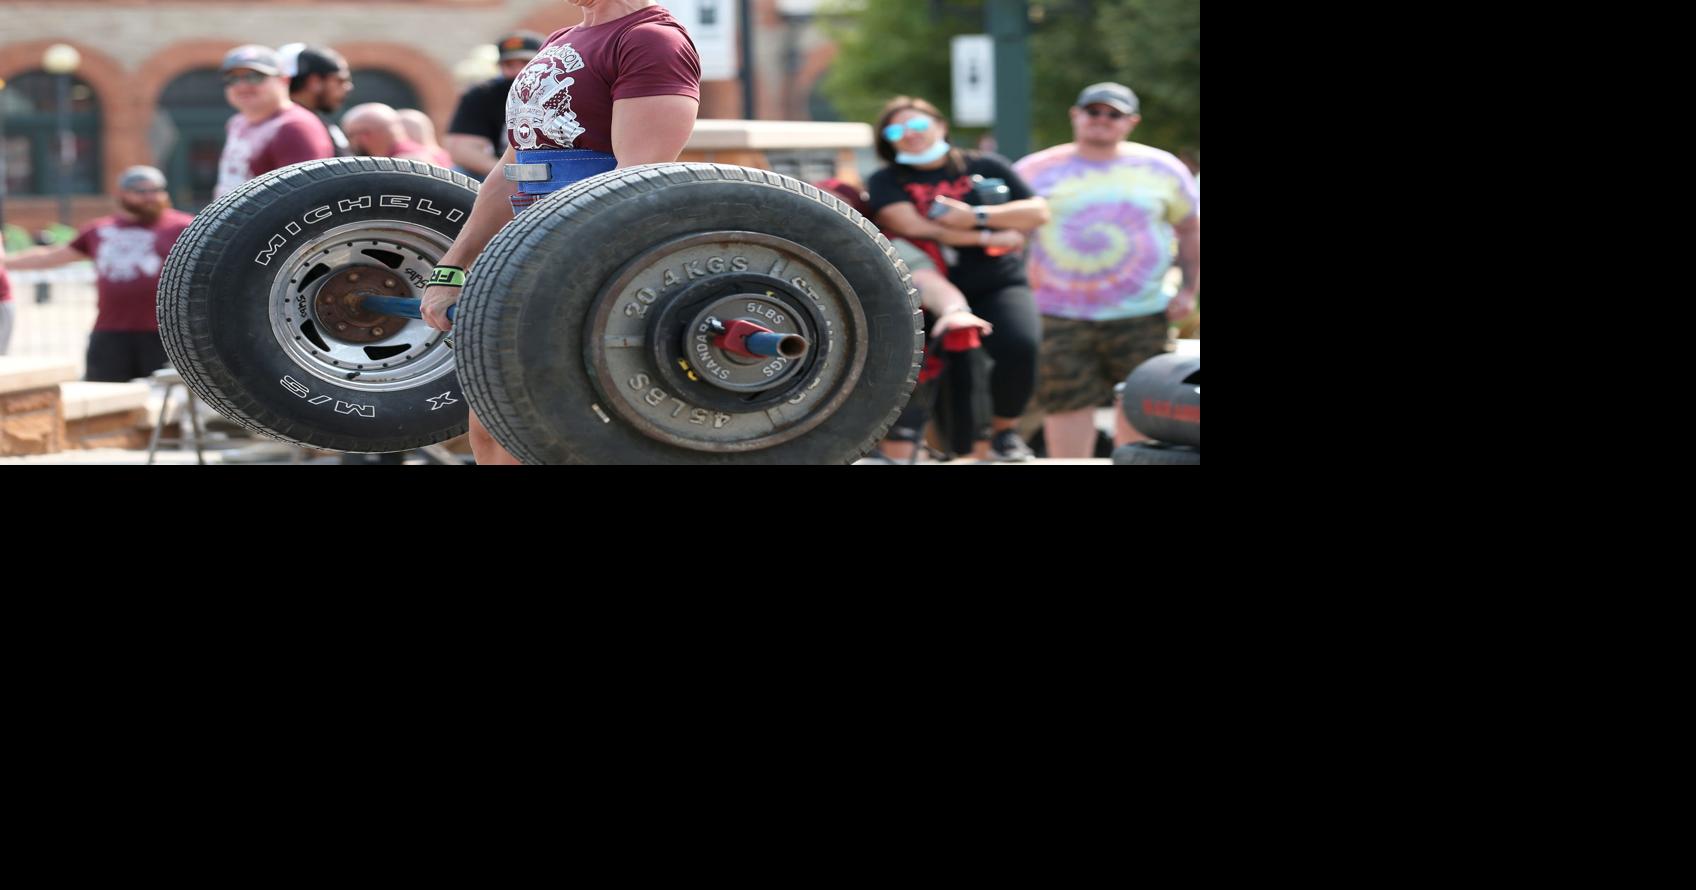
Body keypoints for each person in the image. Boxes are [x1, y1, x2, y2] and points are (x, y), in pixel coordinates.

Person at [419, 0, 701, 465]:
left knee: (555, 438)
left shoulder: (652, 40)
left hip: (589, 272)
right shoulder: (559, 39)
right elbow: (514, 168)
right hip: (524, 257)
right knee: (493, 434)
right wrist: (451, 267)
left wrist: (567, 285)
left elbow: (635, 184)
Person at [1012, 82, 1199, 457]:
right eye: (1093, 111)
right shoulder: (1035, 169)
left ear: (1130, 122)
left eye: (1113, 114)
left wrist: (1189, 290)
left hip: (1141, 311)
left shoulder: (1161, 167)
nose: (1102, 120)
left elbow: (1190, 228)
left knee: (1140, 401)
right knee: (1065, 404)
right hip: (1056, 312)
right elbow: (1010, 236)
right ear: (1075, 115)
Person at [864, 96, 1049, 461]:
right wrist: (987, 235)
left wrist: (974, 216)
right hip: (928, 287)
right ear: (887, 139)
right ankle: (944, 448)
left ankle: (1004, 434)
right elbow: (912, 226)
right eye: (896, 129)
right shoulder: (886, 179)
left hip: (997, 281)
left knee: (1020, 346)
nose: (910, 135)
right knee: (943, 369)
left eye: (917, 125)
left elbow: (1037, 211)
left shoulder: (985, 164)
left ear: (940, 125)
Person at [814, 178, 994, 464]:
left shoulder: (883, 246)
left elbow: (925, 281)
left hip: (877, 366)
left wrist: (954, 310)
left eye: (834, 202)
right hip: (800, 367)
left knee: (902, 445)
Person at [0, 166, 194, 381]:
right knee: (106, 394)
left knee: (167, 402)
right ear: (121, 194)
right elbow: (52, 257)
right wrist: (4, 263)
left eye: (157, 190)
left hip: (165, 333)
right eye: (141, 191)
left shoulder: (184, 227)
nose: (151, 197)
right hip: (110, 331)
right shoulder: (99, 230)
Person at [214, 44, 338, 198]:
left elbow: (304, 198)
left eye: (254, 77)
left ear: (284, 80)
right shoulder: (237, 123)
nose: (242, 85)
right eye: (232, 78)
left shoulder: (295, 127)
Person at [444, 30, 544, 179]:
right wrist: (514, 174)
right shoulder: (483, 94)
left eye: (525, 62)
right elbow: (460, 148)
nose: (518, 71)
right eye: (509, 65)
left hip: (556, 169)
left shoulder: (562, 90)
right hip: (504, 173)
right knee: (457, 174)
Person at [278, 43, 355, 156]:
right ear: (314, 82)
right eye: (340, 80)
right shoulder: (295, 128)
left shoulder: (316, 122)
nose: (348, 87)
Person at [342, 102, 445, 163]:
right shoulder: (416, 156)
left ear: (364, 136)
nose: (349, 142)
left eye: (349, 135)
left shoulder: (407, 162)